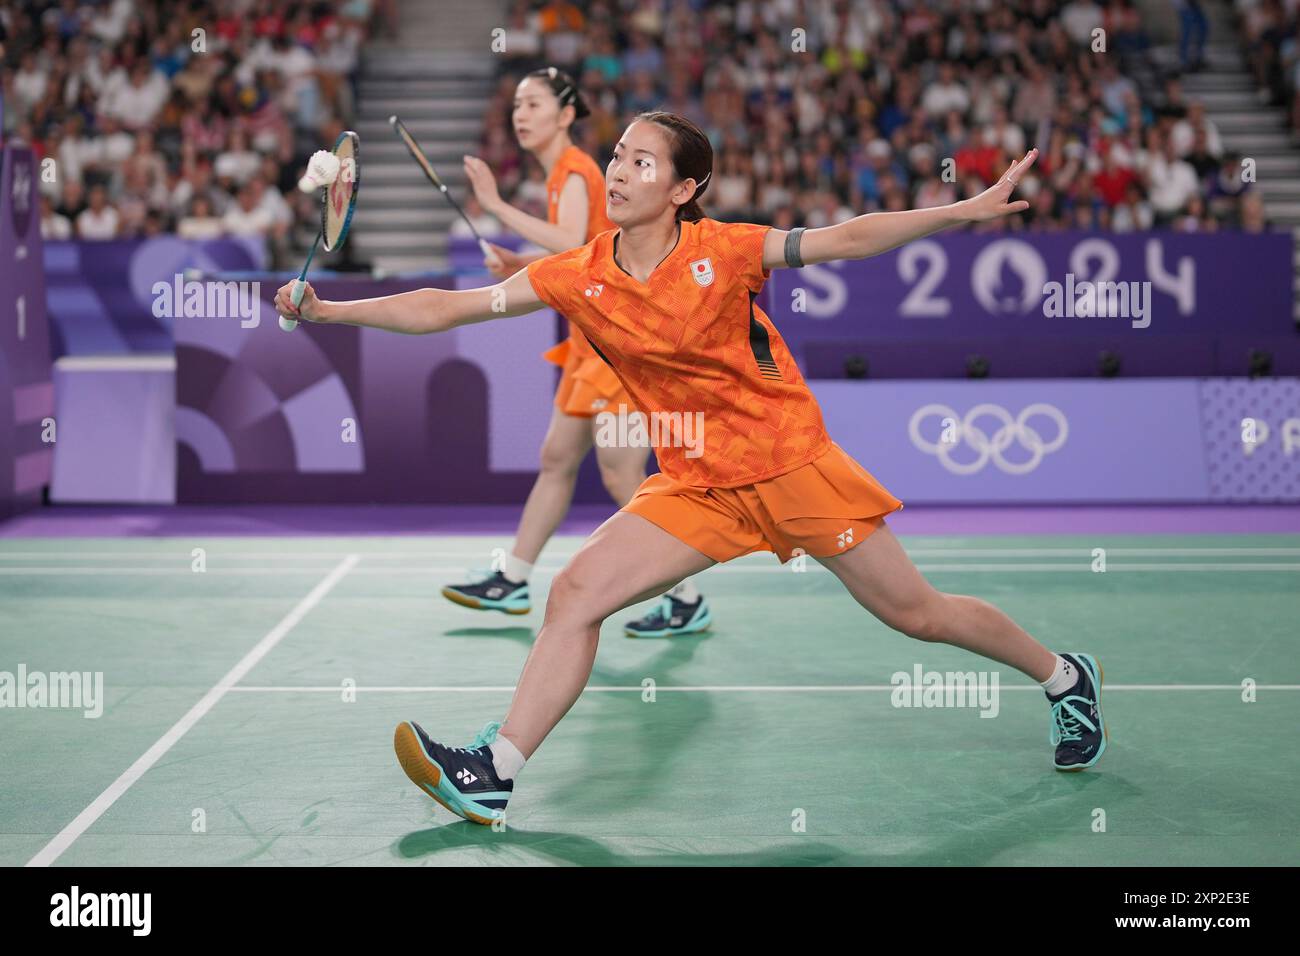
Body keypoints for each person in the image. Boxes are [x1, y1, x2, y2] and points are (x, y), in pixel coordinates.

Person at [275, 112, 1108, 826]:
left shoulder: (728, 250)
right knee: (575, 594)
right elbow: (446, 307)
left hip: (790, 464)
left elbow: (849, 236)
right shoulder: (581, 271)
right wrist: (328, 309)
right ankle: (494, 773)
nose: (620, 169)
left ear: (682, 189)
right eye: (617, 156)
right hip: (696, 482)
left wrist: (965, 209)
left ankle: (1065, 674)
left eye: (642, 160)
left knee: (918, 615)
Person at [444, 68, 714, 638]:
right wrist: (519, 266)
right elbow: (584, 256)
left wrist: (493, 203)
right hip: (585, 344)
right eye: (517, 104)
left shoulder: (574, 170)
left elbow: (570, 243)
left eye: (535, 103)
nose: (522, 114)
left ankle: (686, 595)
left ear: (565, 115)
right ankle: (514, 578)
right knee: (557, 460)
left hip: (614, 344)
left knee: (621, 475)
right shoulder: (561, 175)